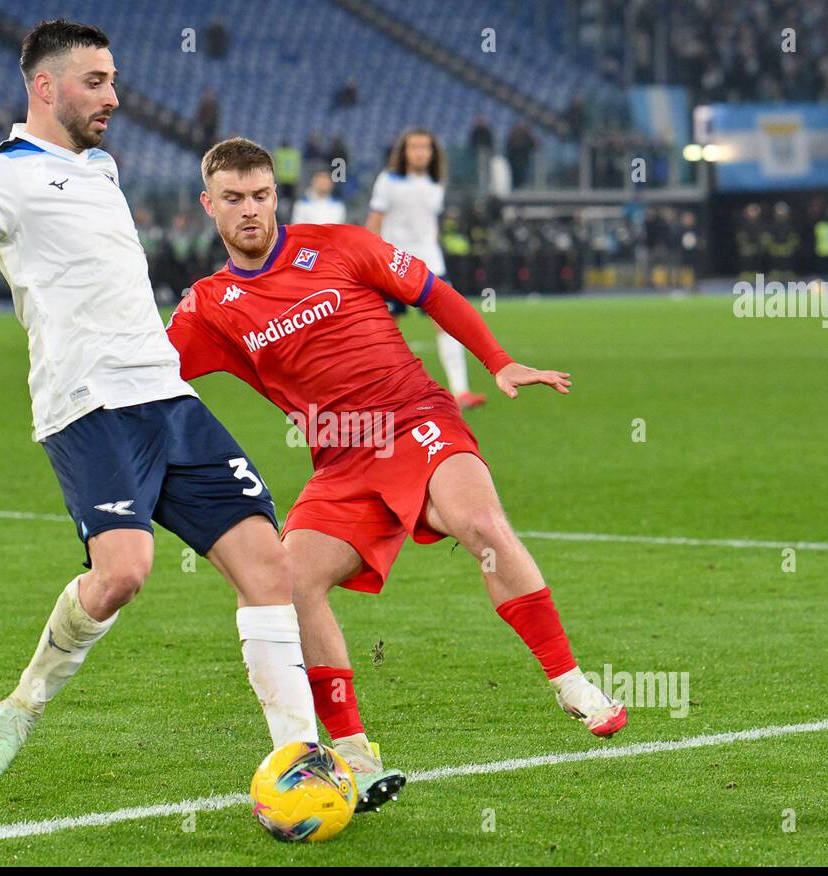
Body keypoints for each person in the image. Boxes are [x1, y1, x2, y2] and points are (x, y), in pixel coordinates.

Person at [0, 20, 318, 777]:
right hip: (88, 406)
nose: (114, 97)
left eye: (113, 80)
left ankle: (301, 756)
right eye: (96, 82)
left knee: (269, 566)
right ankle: (24, 703)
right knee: (123, 573)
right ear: (45, 86)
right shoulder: (4, 172)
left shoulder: (101, 167)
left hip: (165, 394)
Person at [167, 137, 627, 809]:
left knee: (480, 523)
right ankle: (352, 754)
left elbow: (435, 294)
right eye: (233, 199)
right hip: (342, 460)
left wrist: (496, 360)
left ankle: (572, 684)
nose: (250, 211)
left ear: (276, 196)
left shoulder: (342, 245)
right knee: (290, 582)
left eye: (261, 195)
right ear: (208, 206)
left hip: (416, 419)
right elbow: (144, 377)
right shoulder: (209, 307)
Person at [367, 128, 486, 410]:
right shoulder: (387, 180)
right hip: (393, 265)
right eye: (414, 147)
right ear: (404, 151)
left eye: (425, 147)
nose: (420, 152)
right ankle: (379, 394)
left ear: (433, 153)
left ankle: (461, 391)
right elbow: (374, 220)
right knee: (382, 330)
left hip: (430, 264)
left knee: (448, 323)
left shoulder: (436, 182)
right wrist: (370, 260)